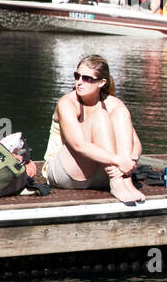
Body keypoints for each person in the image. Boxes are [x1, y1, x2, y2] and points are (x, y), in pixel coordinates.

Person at [43, 55, 146, 204]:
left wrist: (128, 163)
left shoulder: (113, 103)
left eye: (87, 78)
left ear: (102, 82)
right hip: (65, 173)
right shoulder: (67, 102)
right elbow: (79, 145)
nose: (79, 82)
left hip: (104, 172)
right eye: (77, 76)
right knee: (101, 117)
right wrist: (118, 160)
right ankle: (117, 182)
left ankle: (125, 181)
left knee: (120, 114)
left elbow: (136, 145)